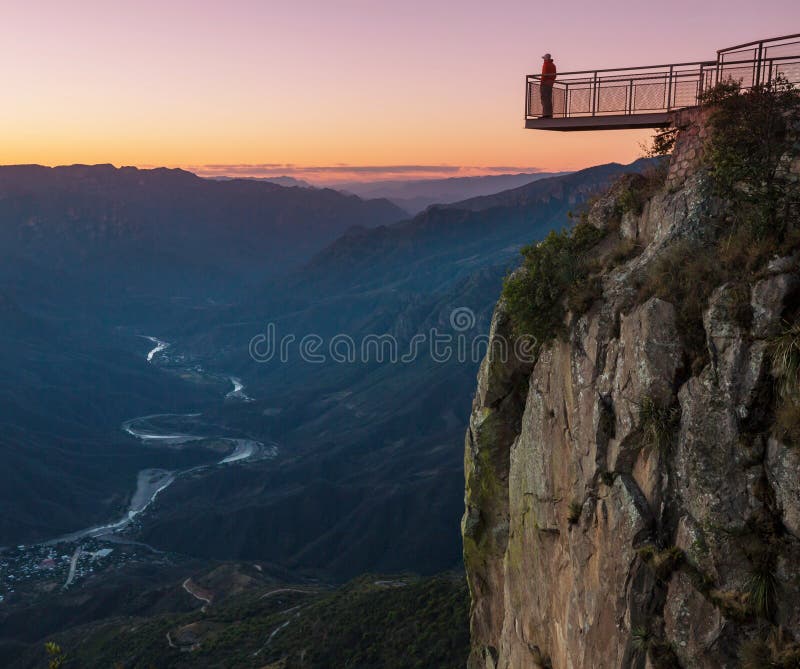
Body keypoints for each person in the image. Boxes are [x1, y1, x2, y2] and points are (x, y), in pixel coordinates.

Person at [540, 53, 557, 118]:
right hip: (550, 84)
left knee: (544, 99)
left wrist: (543, 82)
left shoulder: (546, 64)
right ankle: (549, 114)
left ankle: (546, 115)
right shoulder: (553, 65)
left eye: (544, 58)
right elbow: (554, 75)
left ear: (546, 58)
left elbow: (544, 74)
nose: (543, 59)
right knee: (548, 99)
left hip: (545, 83)